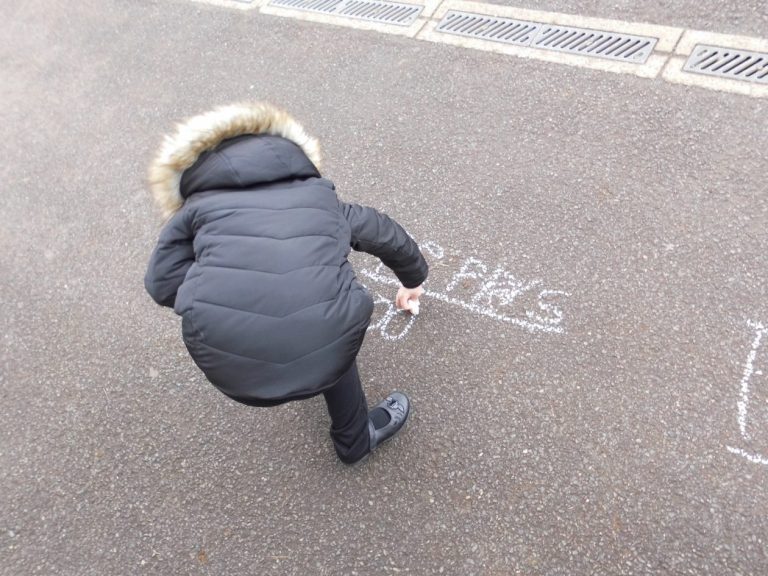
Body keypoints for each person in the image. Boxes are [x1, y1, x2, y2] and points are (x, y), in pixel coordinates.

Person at [144, 102, 428, 464]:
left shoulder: (194, 213)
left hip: (235, 374)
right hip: (329, 348)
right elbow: (384, 234)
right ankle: (355, 440)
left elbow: (161, 284)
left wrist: (220, 289)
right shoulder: (319, 199)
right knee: (328, 320)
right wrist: (413, 281)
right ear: (291, 157)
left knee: (320, 320)